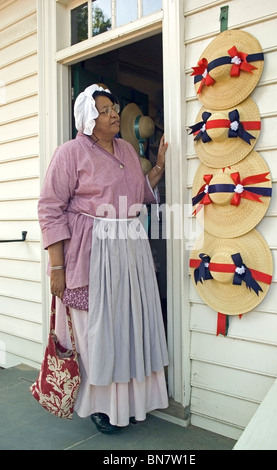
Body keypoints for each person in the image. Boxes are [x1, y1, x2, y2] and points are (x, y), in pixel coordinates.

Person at [37, 83, 169, 434]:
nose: (114, 114)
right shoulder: (70, 153)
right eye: (106, 110)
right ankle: (100, 406)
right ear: (89, 118)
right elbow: (50, 209)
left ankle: (133, 402)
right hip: (91, 251)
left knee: (130, 324)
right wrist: (57, 266)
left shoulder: (126, 149)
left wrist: (157, 167)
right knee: (98, 331)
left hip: (130, 248)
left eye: (114, 108)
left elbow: (140, 193)